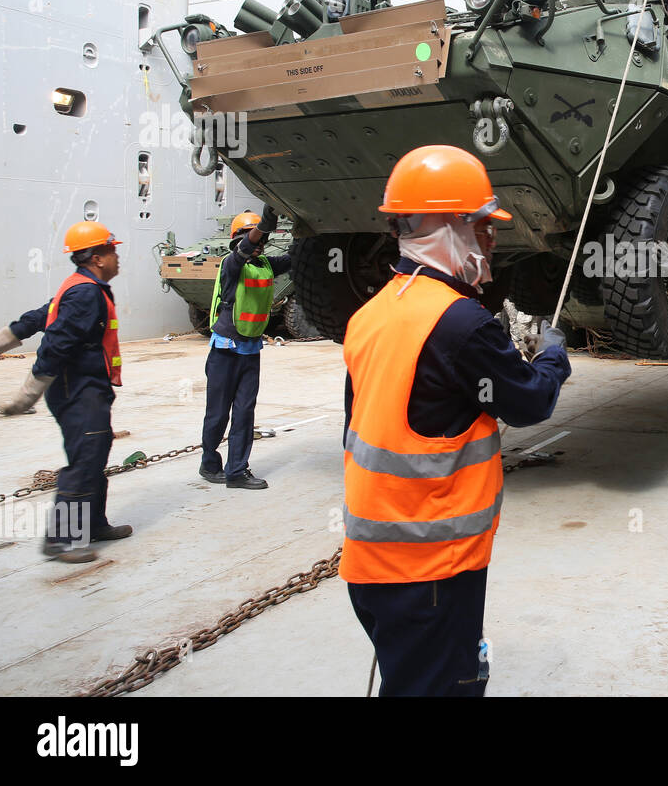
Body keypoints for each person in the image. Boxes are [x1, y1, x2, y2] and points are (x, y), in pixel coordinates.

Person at [341, 144, 571, 696]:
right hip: (432, 567)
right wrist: (553, 355)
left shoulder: (370, 315)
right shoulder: (460, 322)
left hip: (372, 563)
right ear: (449, 227)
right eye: (484, 231)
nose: (491, 246)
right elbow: (530, 402)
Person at [0, 222, 132, 563]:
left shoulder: (81, 286)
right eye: (113, 252)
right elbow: (55, 345)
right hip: (77, 390)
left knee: (96, 450)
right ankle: (63, 540)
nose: (117, 258)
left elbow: (39, 317)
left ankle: (94, 524)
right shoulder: (86, 293)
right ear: (98, 258)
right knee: (86, 457)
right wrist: (28, 394)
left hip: (87, 387)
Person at [199, 206, 290, 490]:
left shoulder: (264, 264)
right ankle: (209, 463)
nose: (259, 244)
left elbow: (294, 258)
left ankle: (237, 471)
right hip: (225, 350)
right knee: (217, 413)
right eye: (252, 239)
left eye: (262, 240)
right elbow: (245, 247)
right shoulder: (232, 263)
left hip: (250, 351)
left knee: (244, 413)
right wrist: (265, 224)